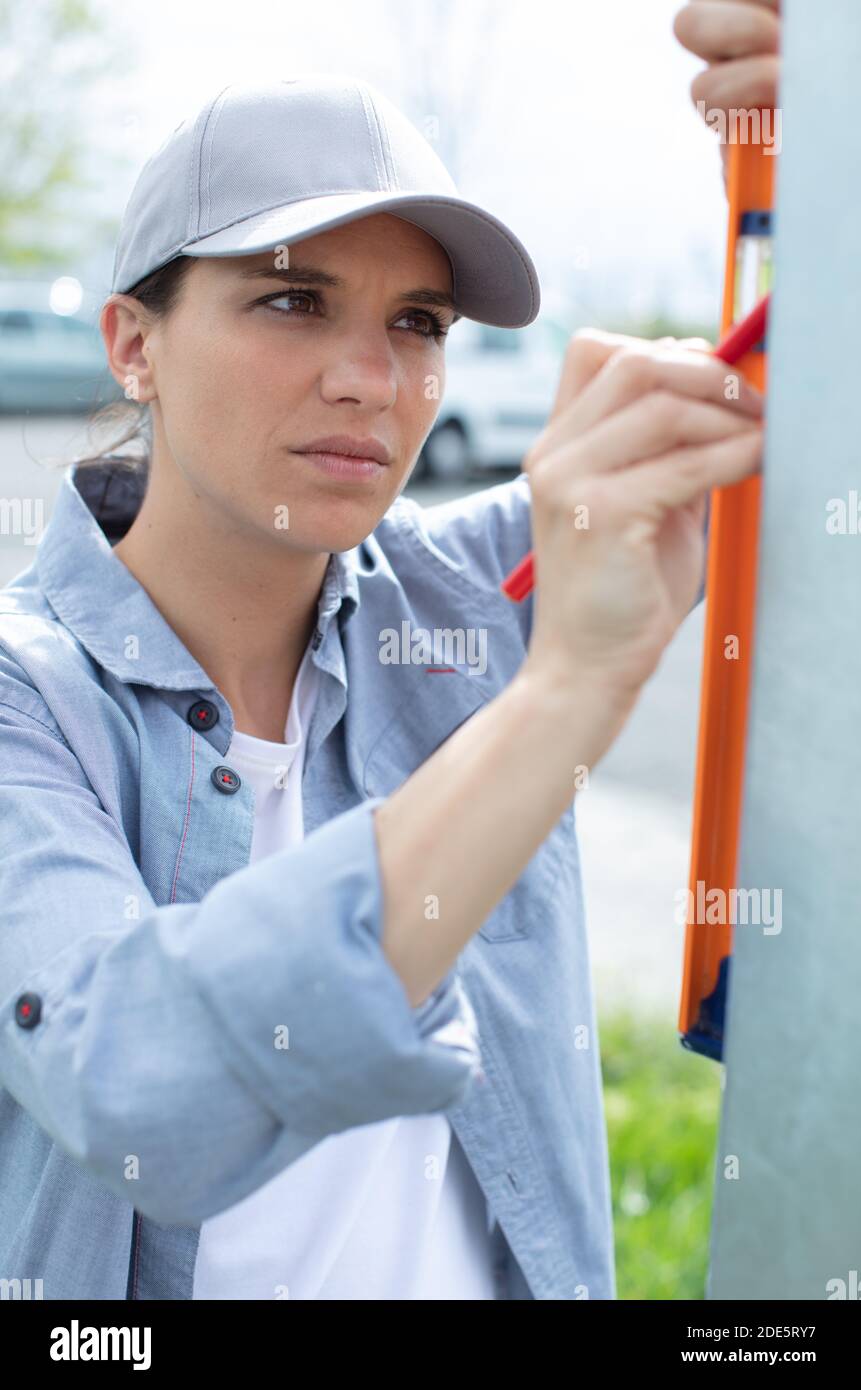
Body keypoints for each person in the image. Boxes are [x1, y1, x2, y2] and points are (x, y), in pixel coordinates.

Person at [0, 4, 780, 1303]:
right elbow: (139, 1091)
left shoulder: (476, 589)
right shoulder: (30, 703)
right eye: (294, 300)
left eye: (417, 322)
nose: (371, 376)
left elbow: (805, 409)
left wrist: (807, 161)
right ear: (133, 343)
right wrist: (563, 695)